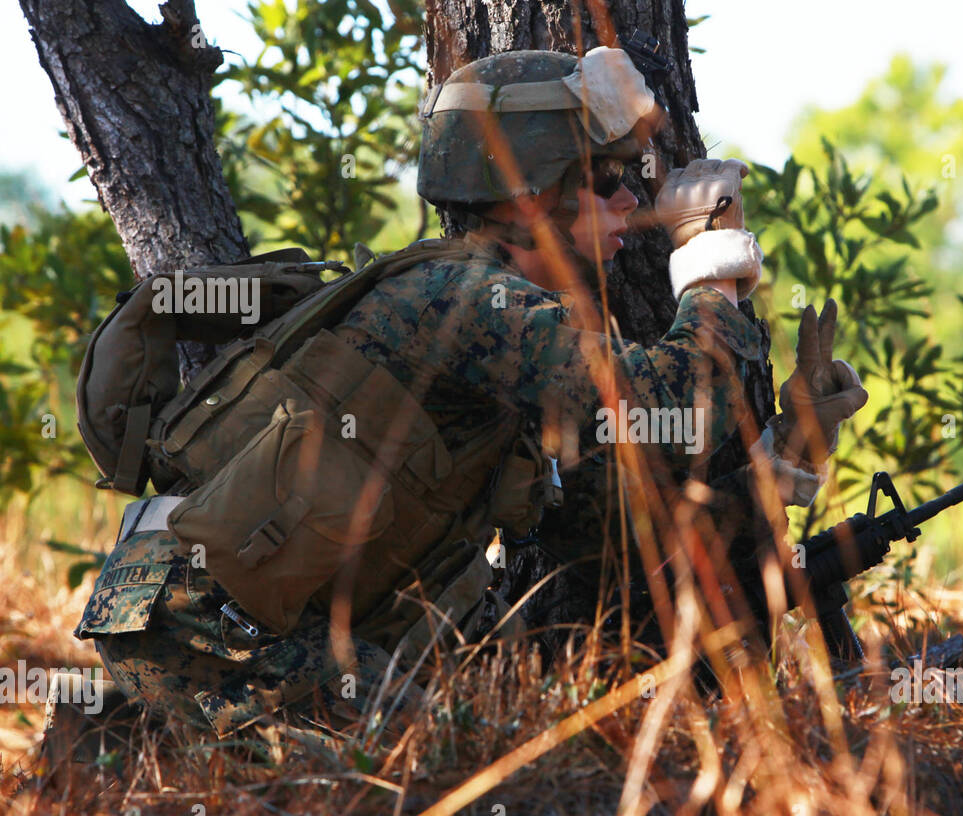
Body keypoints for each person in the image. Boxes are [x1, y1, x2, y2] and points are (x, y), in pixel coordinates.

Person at [60, 46, 869, 746]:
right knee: (445, 771)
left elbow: (605, 543)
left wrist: (777, 465)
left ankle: (131, 739)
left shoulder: (503, 323)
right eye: (606, 178)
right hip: (201, 636)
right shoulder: (463, 300)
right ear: (526, 195)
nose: (631, 201)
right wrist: (709, 267)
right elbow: (673, 410)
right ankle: (131, 742)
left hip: (256, 630)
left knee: (495, 730)